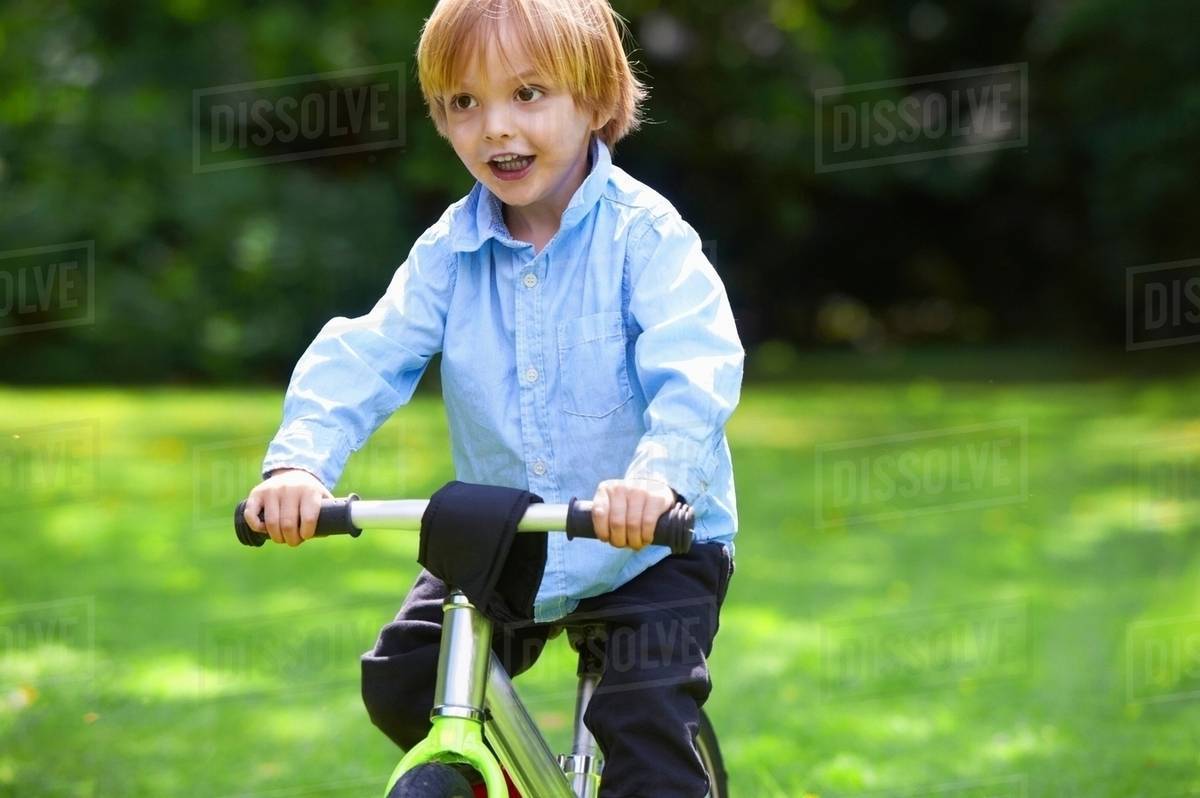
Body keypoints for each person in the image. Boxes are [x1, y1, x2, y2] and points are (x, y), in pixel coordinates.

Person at [241, 0, 744, 794]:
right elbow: (367, 355)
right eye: (464, 103)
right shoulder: (448, 253)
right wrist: (296, 467)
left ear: (597, 100)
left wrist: (657, 479)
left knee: (646, 731)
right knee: (406, 681)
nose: (496, 127)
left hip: (651, 544)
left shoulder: (646, 238)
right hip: (513, 535)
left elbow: (697, 362)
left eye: (529, 94)